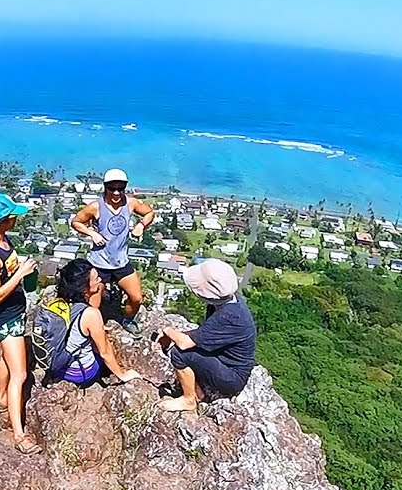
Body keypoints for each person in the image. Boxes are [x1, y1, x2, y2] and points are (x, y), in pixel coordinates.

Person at [0, 193, 41, 454]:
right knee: (21, 374)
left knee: (7, 357)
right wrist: (22, 274)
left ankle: (2, 398)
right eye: (12, 215)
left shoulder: (5, 242)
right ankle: (19, 435)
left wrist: (23, 271)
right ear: (3, 221)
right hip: (6, 317)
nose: (16, 218)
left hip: (16, 311)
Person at [156, 258, 256, 412]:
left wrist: (168, 331)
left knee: (179, 354)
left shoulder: (229, 316)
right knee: (188, 349)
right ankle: (198, 392)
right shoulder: (227, 302)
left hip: (232, 376)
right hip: (224, 362)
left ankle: (189, 400)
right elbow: (203, 335)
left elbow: (184, 343)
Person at [70, 168, 155, 334]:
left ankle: (127, 319)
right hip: (99, 263)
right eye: (112, 188)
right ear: (105, 187)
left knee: (136, 297)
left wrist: (141, 225)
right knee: (93, 305)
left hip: (121, 262)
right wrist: (92, 233)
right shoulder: (95, 207)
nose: (116, 192)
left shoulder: (130, 203)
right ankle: (92, 330)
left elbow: (149, 212)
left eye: (120, 188)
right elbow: (76, 222)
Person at [53, 259, 144, 386]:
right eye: (95, 279)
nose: (100, 281)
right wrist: (123, 375)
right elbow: (104, 352)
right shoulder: (91, 314)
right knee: (108, 345)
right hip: (79, 372)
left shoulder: (57, 303)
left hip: (57, 367)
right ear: (84, 287)